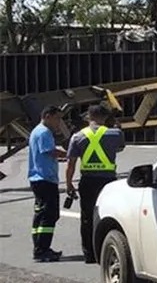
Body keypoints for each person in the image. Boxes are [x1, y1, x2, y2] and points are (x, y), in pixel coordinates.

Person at [64, 104, 125, 264]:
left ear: (88, 117)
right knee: (110, 215)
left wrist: (69, 184)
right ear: (105, 117)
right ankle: (106, 251)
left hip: (88, 181)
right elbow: (119, 148)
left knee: (87, 217)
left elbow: (70, 164)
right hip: (108, 181)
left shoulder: (77, 136)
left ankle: (89, 254)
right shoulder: (115, 133)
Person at [27, 106, 67, 263]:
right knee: (49, 215)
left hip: (37, 179)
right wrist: (68, 154)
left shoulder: (36, 131)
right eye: (57, 118)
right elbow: (50, 151)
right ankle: (43, 249)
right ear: (48, 116)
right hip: (45, 179)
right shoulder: (44, 132)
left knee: (40, 214)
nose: (59, 123)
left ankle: (39, 247)